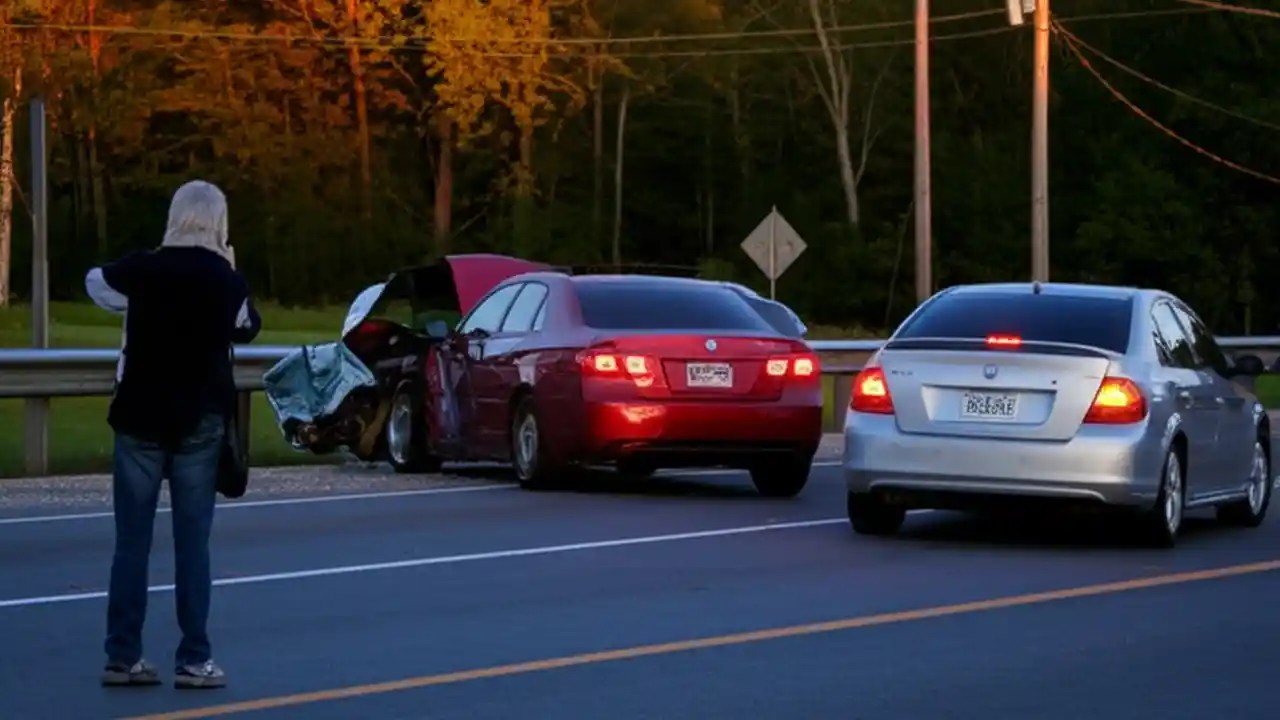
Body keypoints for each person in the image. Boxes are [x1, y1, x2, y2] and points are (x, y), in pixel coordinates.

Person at [84, 180, 261, 689]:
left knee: (131, 544)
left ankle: (122, 656)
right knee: (192, 545)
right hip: (199, 420)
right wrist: (228, 262)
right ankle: (195, 657)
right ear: (220, 222)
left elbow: (96, 282)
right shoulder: (225, 279)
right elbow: (246, 327)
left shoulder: (143, 268)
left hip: (139, 415)